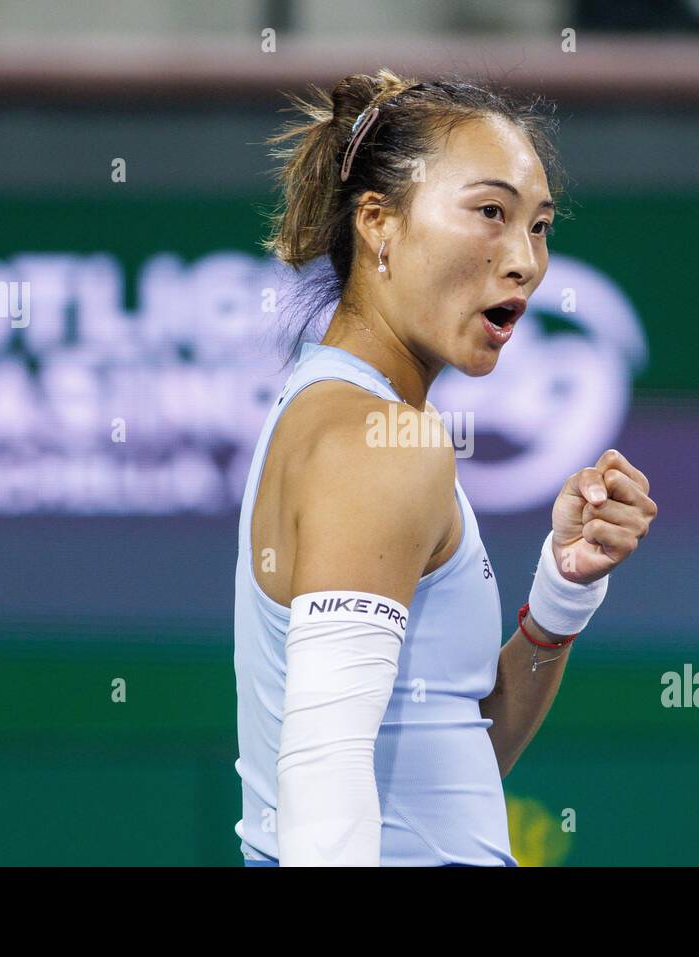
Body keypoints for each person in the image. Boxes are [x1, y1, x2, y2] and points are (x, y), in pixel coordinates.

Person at [232, 68, 658, 866]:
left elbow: (449, 761)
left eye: (538, 226)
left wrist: (561, 596)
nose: (526, 261)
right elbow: (325, 785)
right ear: (379, 224)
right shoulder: (375, 441)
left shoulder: (352, 416)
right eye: (490, 212)